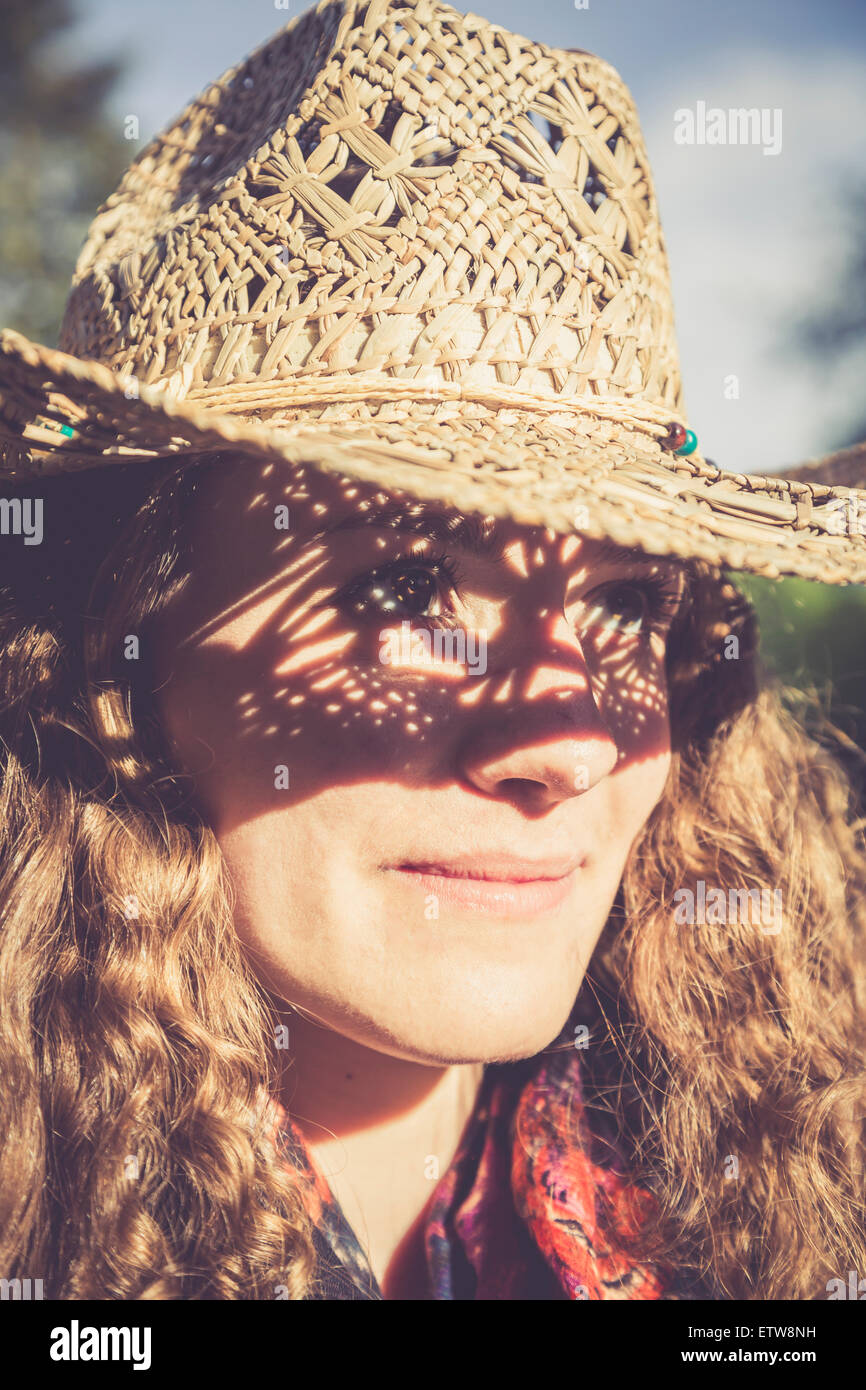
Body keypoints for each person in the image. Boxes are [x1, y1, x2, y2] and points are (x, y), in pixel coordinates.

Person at [1, 0, 865, 1301]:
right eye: (406, 587)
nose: (567, 739)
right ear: (120, 641)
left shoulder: (778, 1186)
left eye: (631, 606)